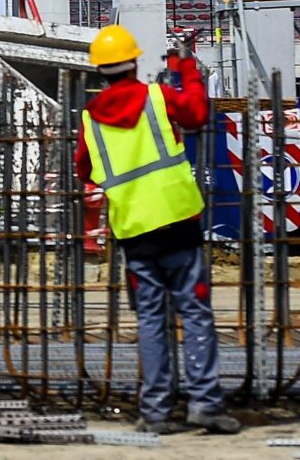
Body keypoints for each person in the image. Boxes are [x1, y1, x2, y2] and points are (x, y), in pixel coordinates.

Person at [76, 25, 239, 436]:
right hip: (179, 223)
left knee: (150, 320)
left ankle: (156, 411)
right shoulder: (156, 97)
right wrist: (184, 64)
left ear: (101, 70)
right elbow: (198, 114)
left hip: (135, 234)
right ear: (134, 62)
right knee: (196, 314)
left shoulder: (91, 121)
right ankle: (204, 403)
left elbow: (85, 170)